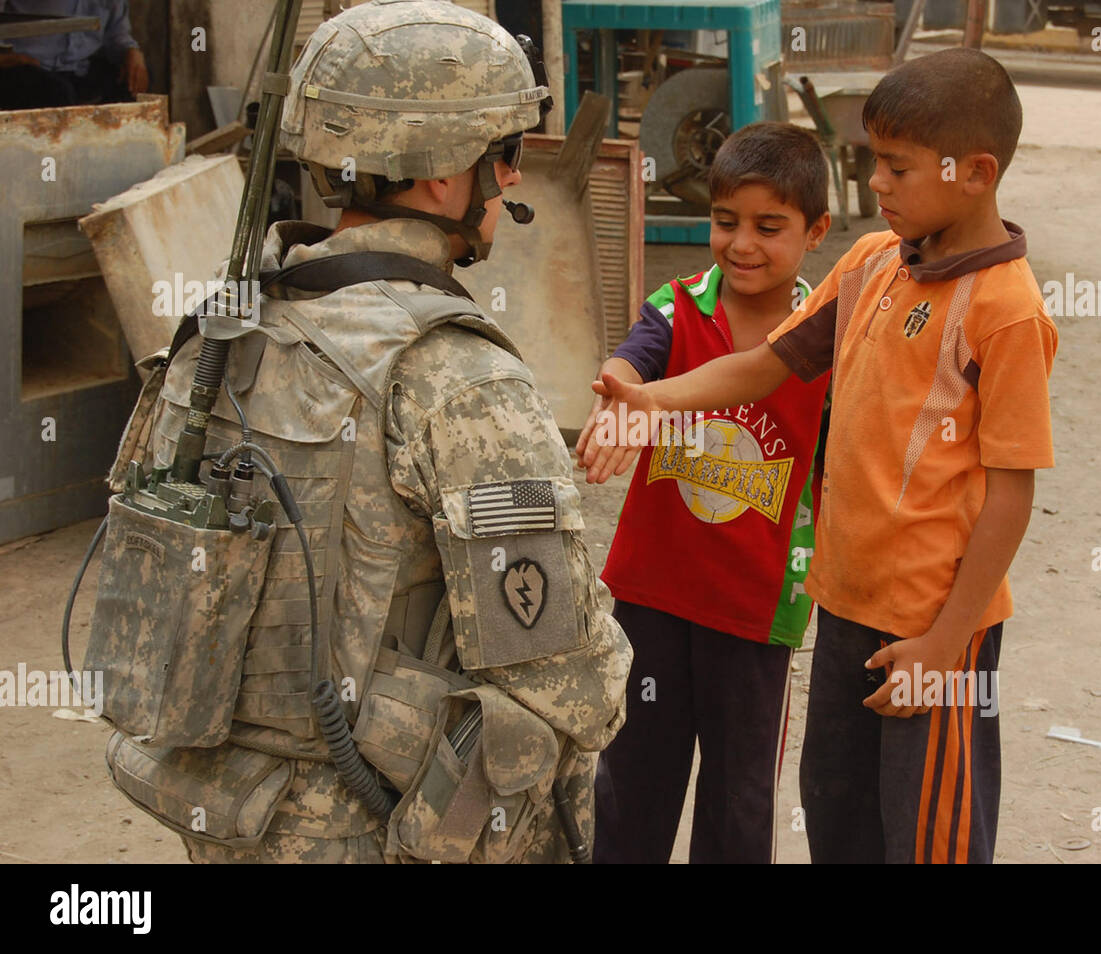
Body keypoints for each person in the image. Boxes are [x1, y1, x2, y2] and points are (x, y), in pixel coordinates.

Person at [101, 0, 631, 864]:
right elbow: (556, 674)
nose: (513, 183)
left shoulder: (216, 337)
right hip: (378, 823)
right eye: (503, 156)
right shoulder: (458, 376)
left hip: (230, 814)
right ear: (439, 177)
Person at [583, 48, 1058, 864]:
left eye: (898, 169)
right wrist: (648, 398)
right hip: (840, 606)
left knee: (929, 838)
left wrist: (943, 648)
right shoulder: (873, 262)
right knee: (839, 821)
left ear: (975, 173)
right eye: (876, 162)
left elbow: (1012, 495)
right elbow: (766, 365)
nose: (876, 183)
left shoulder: (1008, 313)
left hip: (931, 629)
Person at [579, 122, 831, 864]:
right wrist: (617, 402)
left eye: (769, 227)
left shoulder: (826, 336)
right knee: (632, 784)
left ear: (815, 232)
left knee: (738, 802)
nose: (742, 244)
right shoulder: (676, 305)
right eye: (726, 222)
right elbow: (629, 364)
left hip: (757, 612)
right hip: (652, 596)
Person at [0, 0, 147, 110]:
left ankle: (104, 148)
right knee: (56, 92)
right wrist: (5, 58)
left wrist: (131, 52)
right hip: (24, 66)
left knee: (133, 80)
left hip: (79, 67)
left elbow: (116, 33)